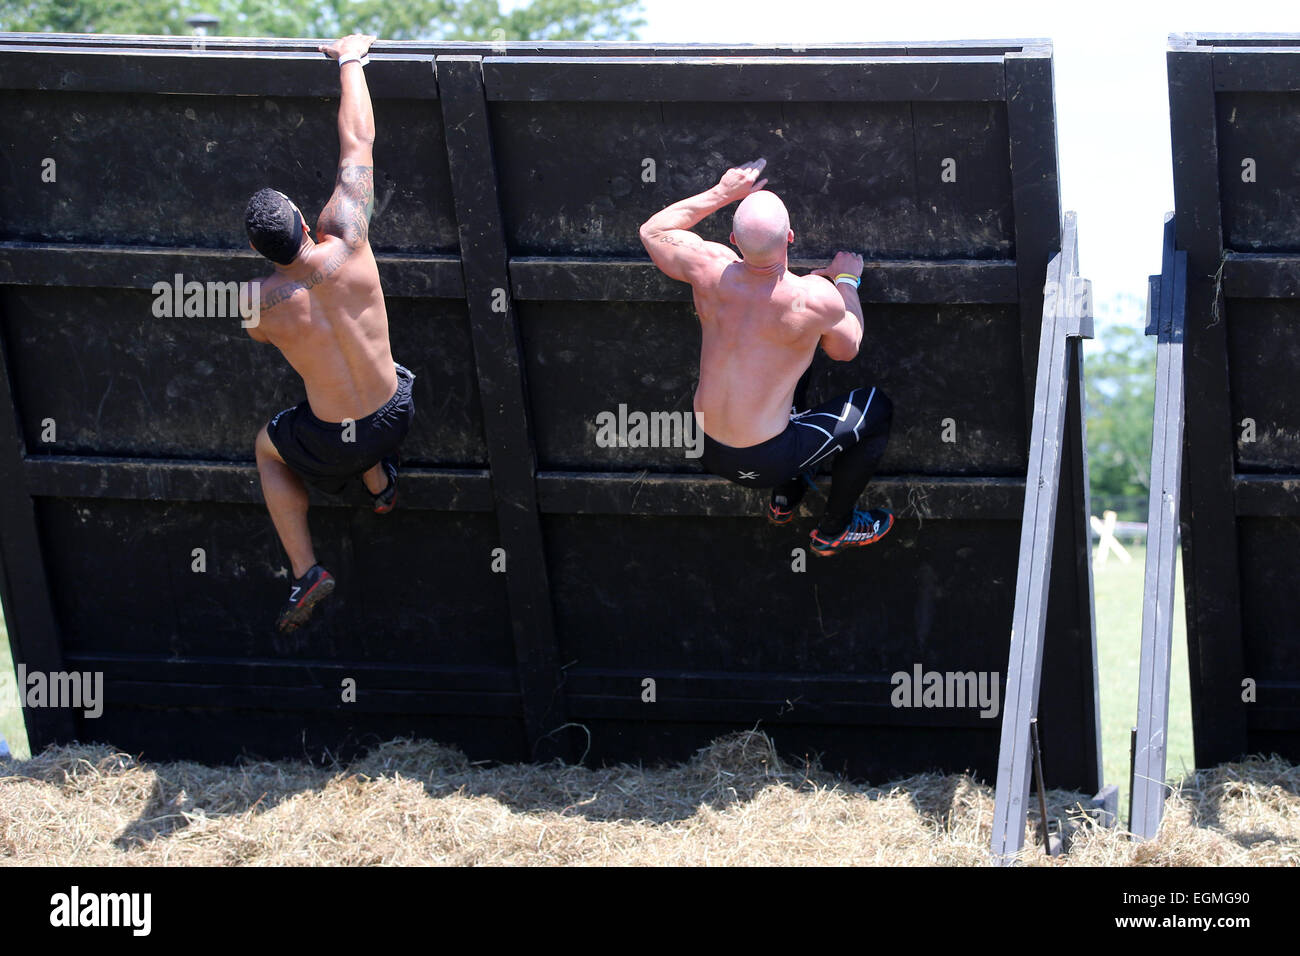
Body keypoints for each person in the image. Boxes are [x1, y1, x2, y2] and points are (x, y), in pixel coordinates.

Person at [244, 34, 414, 632]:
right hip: (398, 408)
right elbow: (358, 141)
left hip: (341, 437)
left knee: (268, 447)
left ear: (256, 249)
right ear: (302, 218)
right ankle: (380, 484)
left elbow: (264, 337)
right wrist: (350, 57)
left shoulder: (256, 305)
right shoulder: (351, 236)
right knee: (356, 411)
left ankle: (306, 570)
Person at [638, 157, 893, 556]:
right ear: (790, 237)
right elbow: (848, 348)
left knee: (791, 364)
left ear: (733, 241)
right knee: (876, 407)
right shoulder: (811, 298)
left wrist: (723, 193)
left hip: (703, 444)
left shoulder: (708, 268)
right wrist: (846, 280)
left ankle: (784, 501)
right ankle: (835, 529)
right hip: (769, 458)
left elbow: (653, 230)